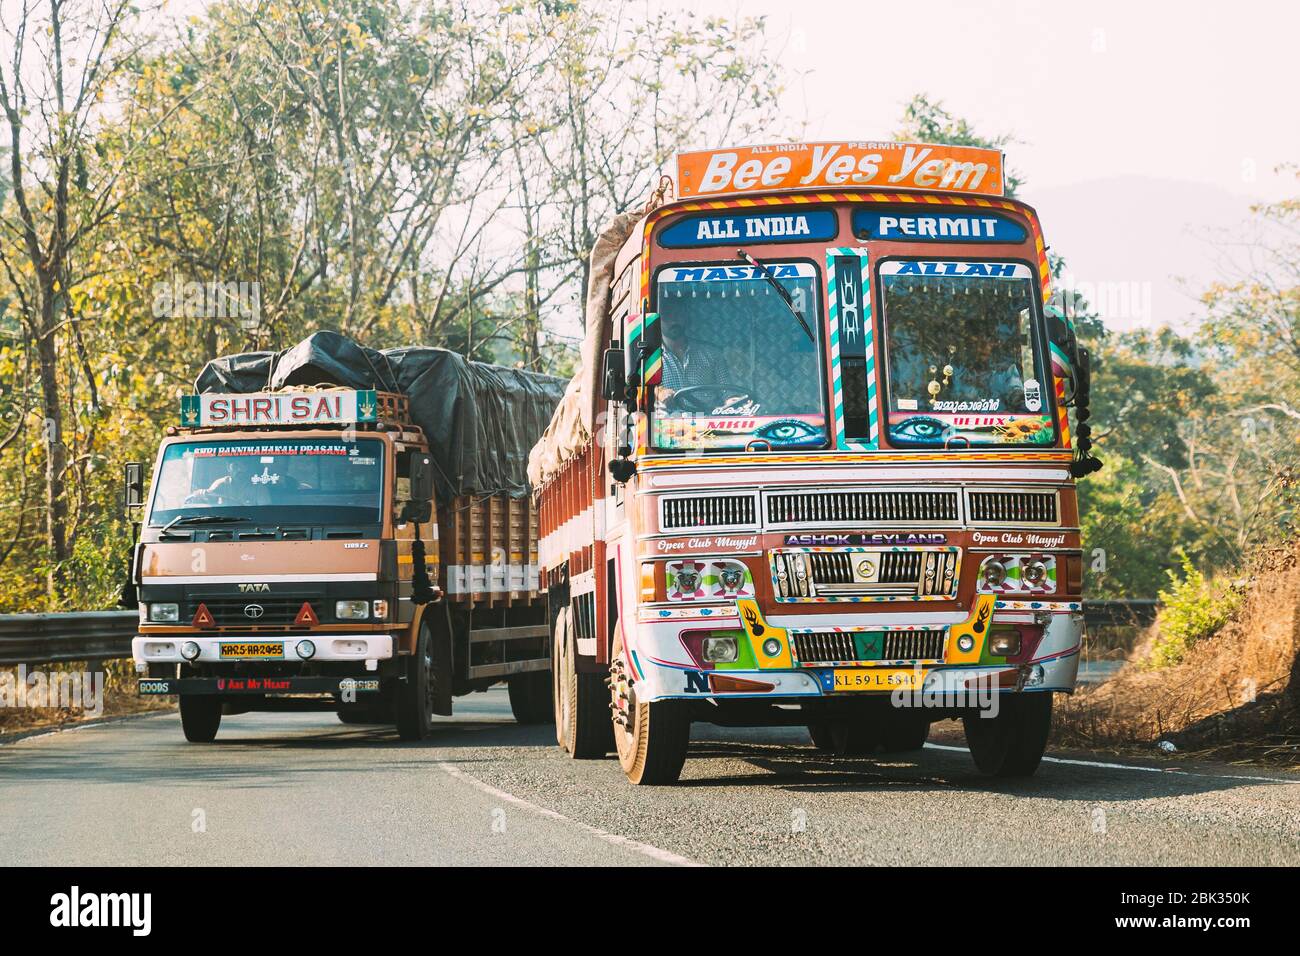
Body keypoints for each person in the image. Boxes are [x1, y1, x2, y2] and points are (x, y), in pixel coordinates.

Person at [657, 315, 726, 406]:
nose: (673, 321)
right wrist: (659, 392)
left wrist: (732, 399)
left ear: (686, 317)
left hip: (708, 416)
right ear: (657, 321)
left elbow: (726, 389)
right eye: (667, 316)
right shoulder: (650, 358)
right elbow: (642, 389)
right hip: (667, 419)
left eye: (678, 313)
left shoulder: (712, 353)